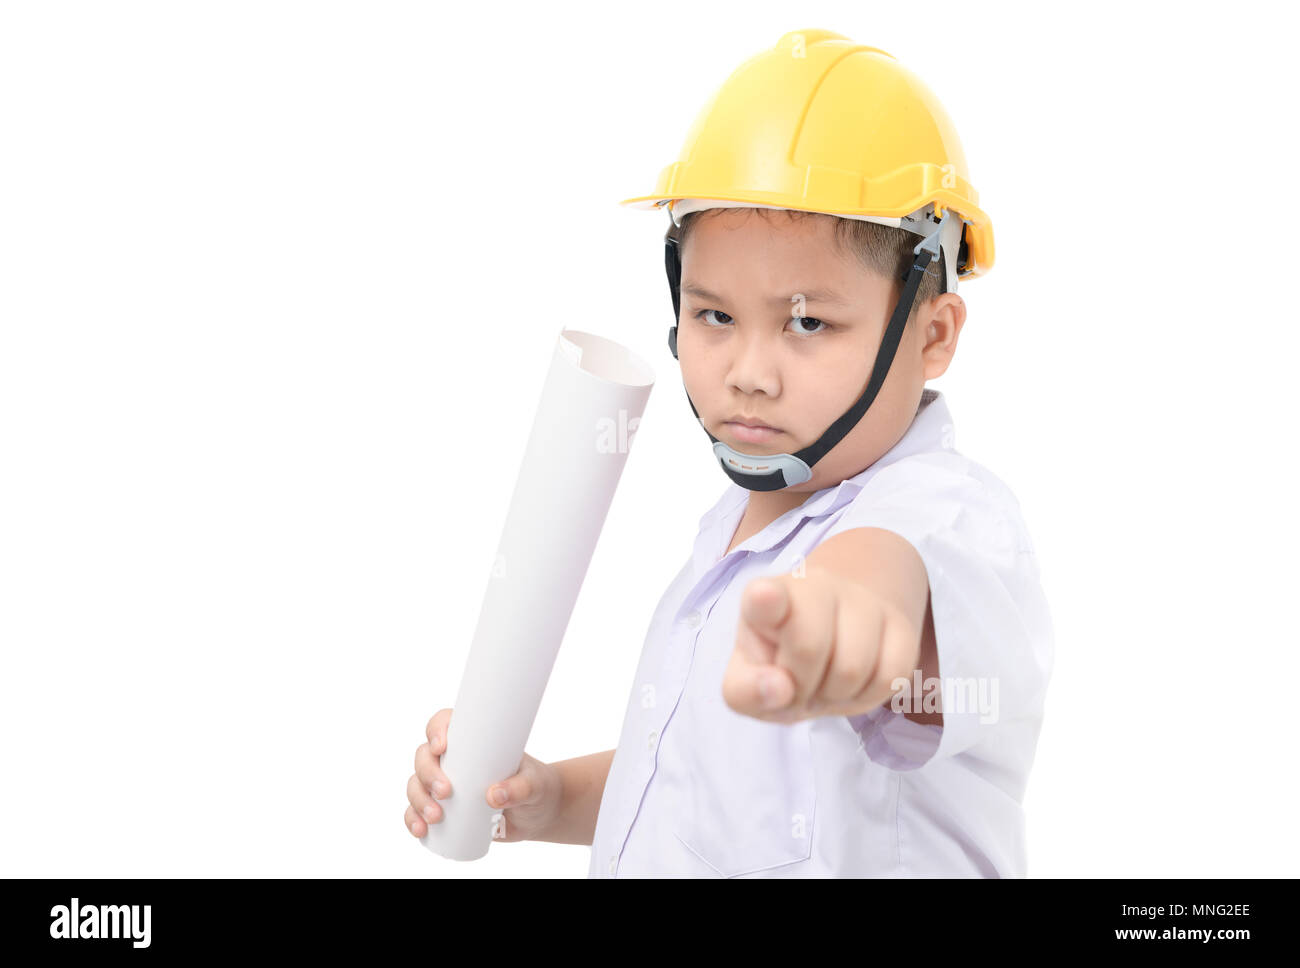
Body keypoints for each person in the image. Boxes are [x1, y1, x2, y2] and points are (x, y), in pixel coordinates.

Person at [405, 28, 1054, 876]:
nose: (748, 374)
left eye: (808, 322)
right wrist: (553, 798)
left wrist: (846, 624)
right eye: (714, 315)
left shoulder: (948, 518)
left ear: (930, 334)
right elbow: (694, 781)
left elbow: (882, 585)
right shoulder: (732, 528)